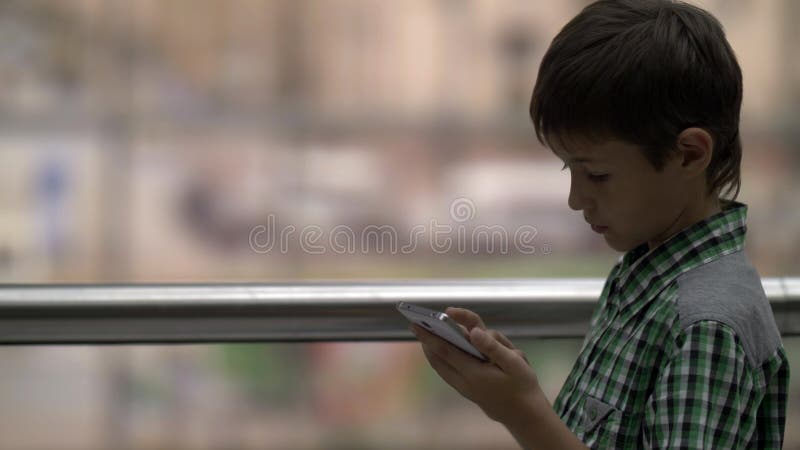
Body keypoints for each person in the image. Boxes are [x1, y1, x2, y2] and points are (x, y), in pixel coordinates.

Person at [410, 1, 790, 448]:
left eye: (597, 175)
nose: (575, 199)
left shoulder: (707, 330)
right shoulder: (647, 275)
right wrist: (517, 390)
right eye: (569, 171)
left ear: (689, 154)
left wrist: (522, 411)